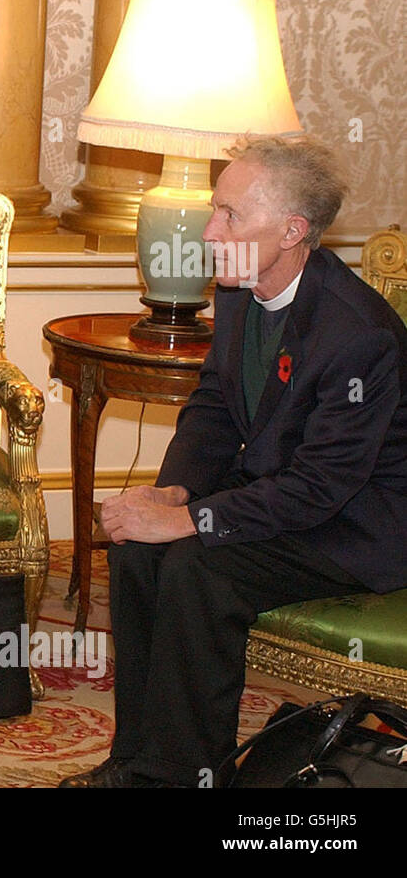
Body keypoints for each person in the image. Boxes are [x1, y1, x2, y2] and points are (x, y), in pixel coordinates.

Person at [60, 136, 407, 788]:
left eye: (230, 216)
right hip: (284, 488)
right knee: (137, 546)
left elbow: (320, 487)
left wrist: (195, 523)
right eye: (214, 210)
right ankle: (133, 759)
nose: (209, 230)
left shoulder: (356, 336)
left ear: (292, 231)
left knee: (200, 567)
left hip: (356, 521)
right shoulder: (243, 287)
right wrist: (173, 495)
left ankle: (180, 776)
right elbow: (216, 407)